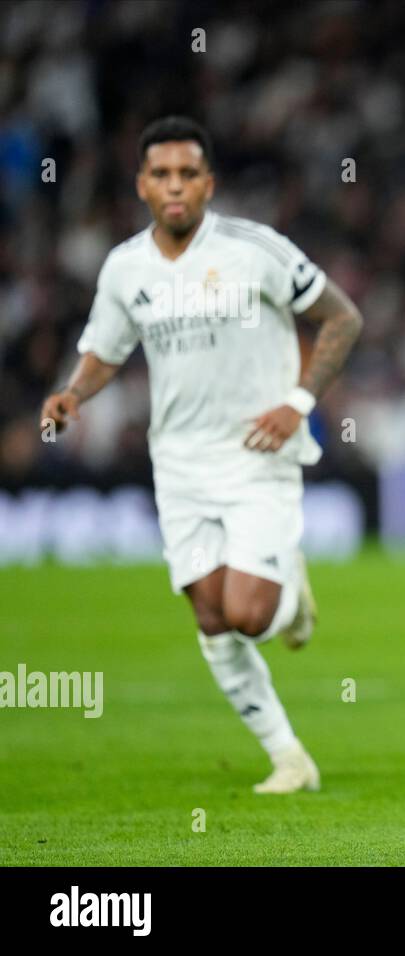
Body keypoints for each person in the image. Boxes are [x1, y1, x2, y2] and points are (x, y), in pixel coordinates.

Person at [40, 116, 363, 794]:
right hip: (178, 463)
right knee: (212, 618)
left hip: (257, 450)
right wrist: (73, 393)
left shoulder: (256, 249)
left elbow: (342, 317)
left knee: (248, 613)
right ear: (142, 185)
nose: (175, 186)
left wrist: (298, 403)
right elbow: (106, 350)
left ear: (209, 183)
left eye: (188, 174)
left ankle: (291, 596)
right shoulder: (126, 268)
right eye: (162, 175)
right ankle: (289, 758)